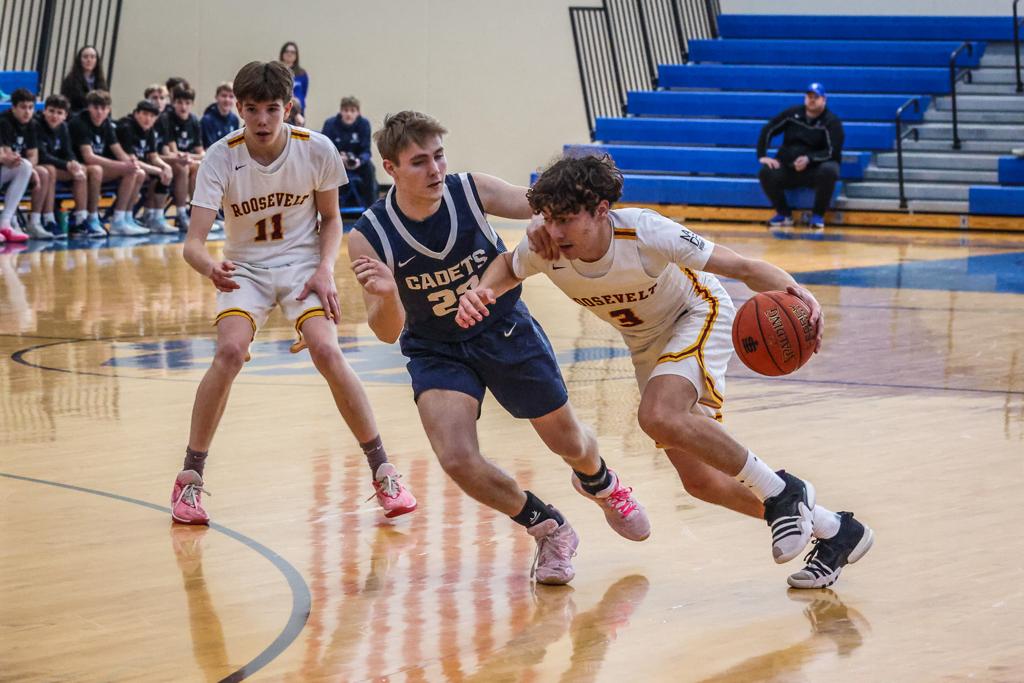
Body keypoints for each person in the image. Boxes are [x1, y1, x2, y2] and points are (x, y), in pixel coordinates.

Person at [456, 154, 874, 589]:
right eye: (548, 218)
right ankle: (836, 531)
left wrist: (799, 293)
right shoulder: (546, 246)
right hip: (646, 345)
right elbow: (509, 266)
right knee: (702, 481)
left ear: (601, 210)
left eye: (565, 219)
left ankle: (785, 493)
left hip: (696, 314)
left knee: (658, 415)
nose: (555, 231)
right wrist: (481, 291)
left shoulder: (644, 231)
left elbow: (742, 267)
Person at [348, 111, 651, 586]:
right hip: (436, 348)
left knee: (569, 442)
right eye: (420, 161)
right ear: (391, 168)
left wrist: (540, 225)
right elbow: (387, 333)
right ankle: (548, 527)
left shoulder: (472, 190)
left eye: (439, 156)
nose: (435, 169)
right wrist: (387, 295)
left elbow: (541, 207)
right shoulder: (369, 235)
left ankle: (600, 481)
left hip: (503, 328)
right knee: (457, 458)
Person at [170, 60, 416, 526]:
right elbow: (193, 244)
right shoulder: (220, 157)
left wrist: (325, 269)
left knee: (328, 351)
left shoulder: (317, 148)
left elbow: (332, 219)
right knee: (229, 352)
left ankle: (384, 471)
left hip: (303, 266)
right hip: (244, 268)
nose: (262, 120)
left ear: (288, 108)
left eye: (271, 109)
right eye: (252, 109)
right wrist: (209, 266)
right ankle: (189, 478)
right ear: (238, 109)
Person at [757, 83, 843, 231]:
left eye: (816, 97)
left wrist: (809, 159)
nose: (812, 100)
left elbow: (833, 151)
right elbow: (768, 129)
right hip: (790, 168)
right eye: (809, 96)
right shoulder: (792, 114)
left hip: (814, 171)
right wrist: (762, 155)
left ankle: (818, 216)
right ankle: (784, 214)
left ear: (824, 100)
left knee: (830, 170)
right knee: (766, 172)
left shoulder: (832, 122)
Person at [69, 89, 149, 236]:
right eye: (96, 108)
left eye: (103, 108)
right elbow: (88, 157)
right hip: (77, 166)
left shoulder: (106, 123)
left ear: (109, 109)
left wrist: (131, 162)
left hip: (96, 166)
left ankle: (121, 218)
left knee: (136, 172)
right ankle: (92, 216)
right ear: (88, 107)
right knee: (97, 169)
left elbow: (117, 150)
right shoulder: (79, 122)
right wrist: (121, 165)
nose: (100, 112)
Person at [34, 93, 100, 235]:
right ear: (44, 111)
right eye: (51, 111)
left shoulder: (63, 127)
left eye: (59, 113)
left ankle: (80, 219)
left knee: (82, 170)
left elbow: (68, 151)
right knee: (50, 170)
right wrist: (66, 165)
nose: (54, 116)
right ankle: (48, 219)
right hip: (40, 167)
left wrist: (73, 163)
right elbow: (42, 156)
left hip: (57, 166)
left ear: (65, 116)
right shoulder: (36, 125)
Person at [0, 88, 55, 239]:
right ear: (13, 107)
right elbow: (6, 155)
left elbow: (33, 156)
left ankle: (8, 223)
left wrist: (31, 169)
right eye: (23, 107)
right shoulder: (3, 122)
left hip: (7, 171)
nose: (27, 112)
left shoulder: (32, 124)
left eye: (31, 108)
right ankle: (12, 221)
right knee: (25, 166)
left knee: (28, 166)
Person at [116, 100, 176, 233]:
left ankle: (156, 217)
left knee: (164, 174)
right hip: (120, 166)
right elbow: (131, 160)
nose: (148, 119)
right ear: (136, 113)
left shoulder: (150, 130)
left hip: (137, 166)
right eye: (144, 114)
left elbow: (153, 156)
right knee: (141, 173)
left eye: (152, 116)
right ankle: (121, 218)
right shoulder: (126, 127)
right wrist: (158, 170)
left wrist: (164, 166)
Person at [160, 86, 205, 231]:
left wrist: (195, 156)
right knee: (183, 167)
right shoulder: (167, 119)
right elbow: (173, 152)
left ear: (192, 104)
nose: (183, 107)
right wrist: (190, 157)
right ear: (173, 103)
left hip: (186, 159)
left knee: (199, 166)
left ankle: (195, 212)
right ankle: (180, 214)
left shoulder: (194, 120)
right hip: (169, 160)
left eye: (187, 103)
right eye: (179, 102)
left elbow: (200, 151)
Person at [322, 96, 376, 208]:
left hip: (356, 162)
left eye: (352, 111)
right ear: (341, 111)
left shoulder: (364, 124)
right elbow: (324, 150)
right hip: (336, 163)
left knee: (370, 168)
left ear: (358, 113)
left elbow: (366, 151)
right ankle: (330, 207)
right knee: (325, 168)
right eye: (346, 110)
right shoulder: (330, 124)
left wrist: (359, 161)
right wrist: (338, 158)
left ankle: (371, 207)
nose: (349, 114)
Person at [60, 45, 109, 113]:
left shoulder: (101, 81)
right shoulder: (70, 81)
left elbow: (106, 103)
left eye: (92, 57)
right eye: (85, 57)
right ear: (79, 60)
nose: (89, 60)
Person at [200, 82, 240, 148]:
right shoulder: (207, 120)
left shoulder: (234, 119)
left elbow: (235, 145)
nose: (227, 100)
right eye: (224, 96)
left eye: (231, 96)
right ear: (216, 97)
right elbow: (210, 148)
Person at [278, 42, 308, 111]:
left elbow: (304, 93)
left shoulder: (302, 74)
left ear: (296, 55)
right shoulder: (276, 72)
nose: (289, 54)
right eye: (287, 51)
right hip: (281, 109)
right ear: (282, 54)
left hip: (298, 111)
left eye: (292, 52)